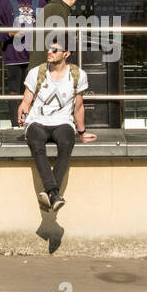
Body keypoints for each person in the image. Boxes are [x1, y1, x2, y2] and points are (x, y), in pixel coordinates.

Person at [19, 41, 96, 211]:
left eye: (55, 50)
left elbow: (78, 106)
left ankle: (51, 193)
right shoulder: (36, 73)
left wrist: (82, 132)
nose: (49, 52)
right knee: (37, 144)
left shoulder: (78, 75)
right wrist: (23, 115)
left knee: (67, 143)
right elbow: (26, 101)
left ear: (66, 54)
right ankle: (54, 194)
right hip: (37, 121)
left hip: (63, 122)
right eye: (48, 48)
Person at [0, 0, 45, 128]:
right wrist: (8, 33)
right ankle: (16, 124)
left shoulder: (40, 3)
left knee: (36, 91)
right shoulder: (6, 3)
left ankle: (33, 122)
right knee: (14, 92)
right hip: (13, 56)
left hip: (35, 56)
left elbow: (49, 28)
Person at [28, 0, 81, 68]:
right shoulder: (60, 9)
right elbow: (64, 35)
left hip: (40, 60)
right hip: (45, 62)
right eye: (74, 0)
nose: (73, 4)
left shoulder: (53, 6)